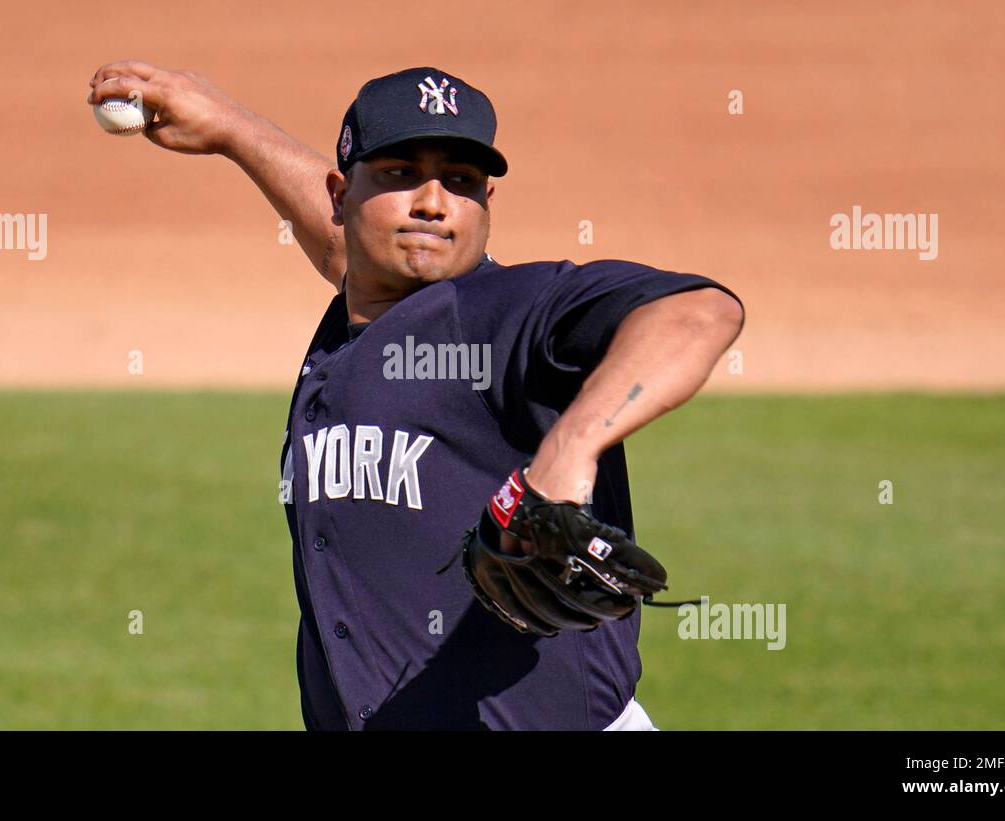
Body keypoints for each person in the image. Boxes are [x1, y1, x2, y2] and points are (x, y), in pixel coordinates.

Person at [88, 62, 745, 730]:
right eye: (402, 173)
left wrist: (569, 450)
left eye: (460, 183)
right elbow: (347, 246)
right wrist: (231, 127)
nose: (433, 203)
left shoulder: (511, 312)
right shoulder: (367, 306)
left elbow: (699, 313)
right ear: (341, 195)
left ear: (488, 202)